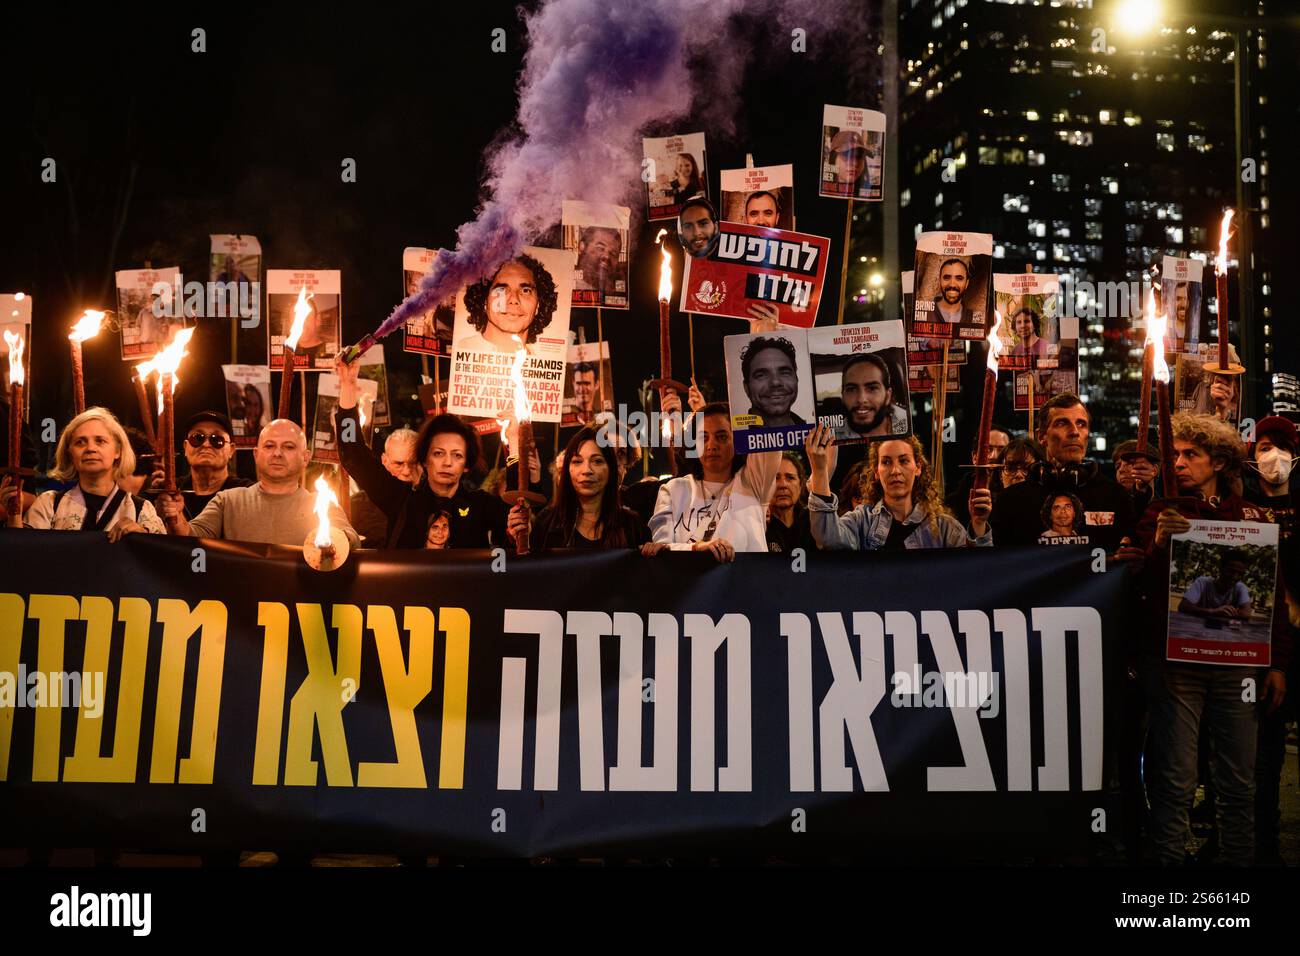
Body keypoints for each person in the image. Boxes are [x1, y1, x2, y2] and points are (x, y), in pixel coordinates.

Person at [1132, 412, 1289, 866]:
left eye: (1191, 455)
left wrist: (1276, 663)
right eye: (1175, 455)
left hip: (1238, 668)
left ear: (1218, 462)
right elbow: (1142, 590)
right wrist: (1158, 545)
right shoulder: (1161, 512)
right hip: (1178, 668)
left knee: (1238, 782)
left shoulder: (1251, 518)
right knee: (1176, 779)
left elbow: (1271, 599)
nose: (1178, 463)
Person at [333, 354, 512, 549]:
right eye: (438, 453)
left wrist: (516, 439)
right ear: (424, 459)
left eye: (457, 455)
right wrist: (348, 386)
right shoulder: (402, 500)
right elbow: (353, 454)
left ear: (467, 464)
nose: (447, 462)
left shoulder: (482, 506)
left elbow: (520, 513)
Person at [158, 419, 358, 549]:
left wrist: (332, 539)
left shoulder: (322, 504)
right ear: (256, 454)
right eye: (269, 446)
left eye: (288, 447)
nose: (277, 453)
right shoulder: (228, 501)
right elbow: (191, 538)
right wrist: (175, 517)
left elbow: (351, 539)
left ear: (305, 458)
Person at [643, 385, 780, 561]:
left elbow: (770, 429)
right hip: (691, 586)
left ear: (737, 440)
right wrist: (696, 548)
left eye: (722, 436)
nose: (711, 445)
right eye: (703, 437)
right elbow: (660, 549)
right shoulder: (672, 490)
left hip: (745, 585)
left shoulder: (753, 483)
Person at [804, 425, 991, 550]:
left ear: (918, 467)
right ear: (876, 472)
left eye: (903, 460)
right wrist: (820, 470)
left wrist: (979, 524)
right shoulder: (862, 521)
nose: (895, 470)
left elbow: (976, 573)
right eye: (886, 462)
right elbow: (827, 539)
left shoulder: (944, 528)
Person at [989, 393, 1134, 552]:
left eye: (1081, 424)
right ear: (1042, 436)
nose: (1074, 432)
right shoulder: (1012, 501)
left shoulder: (1115, 497)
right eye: (1062, 423)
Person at [6, 408, 165, 538]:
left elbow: (159, 564)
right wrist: (14, 516)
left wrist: (142, 537)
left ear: (117, 451)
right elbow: (25, 558)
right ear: (69, 453)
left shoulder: (141, 509)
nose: (90, 448)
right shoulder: (49, 504)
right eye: (80, 442)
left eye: (100, 441)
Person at [516, 424, 647, 551]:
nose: (587, 470)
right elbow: (528, 568)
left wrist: (656, 552)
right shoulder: (547, 522)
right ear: (567, 468)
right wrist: (520, 538)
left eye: (597, 461)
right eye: (577, 461)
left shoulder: (633, 524)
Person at [148, 412, 252, 522]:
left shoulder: (246, 493)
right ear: (185, 447)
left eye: (217, 440)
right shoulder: (169, 491)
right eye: (197, 438)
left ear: (231, 450)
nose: (206, 444)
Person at [455, 254, 559, 352]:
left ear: (538, 305)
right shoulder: (461, 349)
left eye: (525, 290)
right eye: (502, 290)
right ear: (485, 300)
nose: (514, 299)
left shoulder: (539, 363)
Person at [350, 427, 421, 547]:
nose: (407, 471)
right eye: (399, 464)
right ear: (384, 460)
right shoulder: (356, 505)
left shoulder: (433, 501)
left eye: (413, 463)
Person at [945, 426, 1013, 525]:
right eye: (987, 449)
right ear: (974, 457)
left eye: (1001, 450)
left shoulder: (1017, 498)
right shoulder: (953, 504)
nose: (994, 456)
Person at [833, 353, 908, 440]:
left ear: (888, 396)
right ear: (843, 396)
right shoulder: (834, 438)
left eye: (872, 388)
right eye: (852, 389)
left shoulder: (909, 421)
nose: (861, 399)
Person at [1245, 415, 1297, 538]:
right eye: (1265, 449)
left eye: (1283, 447)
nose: (1276, 454)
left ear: (1293, 456)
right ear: (1253, 460)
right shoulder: (1244, 505)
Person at [740, 336, 803, 426]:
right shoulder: (733, 437)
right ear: (746, 387)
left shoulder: (816, 433)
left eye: (784, 372)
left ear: (796, 379)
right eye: (761, 375)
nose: (775, 382)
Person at [1177, 551, 1253, 621]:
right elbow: (1183, 606)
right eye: (1231, 571)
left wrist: (1217, 613)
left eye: (1240, 574)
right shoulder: (1202, 582)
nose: (1235, 577)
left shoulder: (1240, 587)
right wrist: (1213, 611)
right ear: (1220, 568)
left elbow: (1246, 614)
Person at [766, 452, 816, 555]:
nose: (783, 485)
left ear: (801, 484)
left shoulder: (814, 520)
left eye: (790, 477)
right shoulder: (759, 525)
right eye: (775, 478)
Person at [1112, 438, 1161, 513]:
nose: (1121, 470)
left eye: (1130, 463)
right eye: (1118, 466)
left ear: (1154, 470)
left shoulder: (1167, 511)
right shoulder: (1111, 509)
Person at [574, 226, 622, 294]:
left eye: (613, 254)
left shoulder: (616, 292)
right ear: (582, 247)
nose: (607, 256)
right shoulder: (565, 281)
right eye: (600, 248)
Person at [825, 129, 869, 197]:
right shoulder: (824, 191)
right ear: (833, 158)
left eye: (859, 156)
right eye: (846, 154)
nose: (855, 163)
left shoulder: (867, 191)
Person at [931, 258, 973, 325]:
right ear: (939, 281)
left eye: (959, 278)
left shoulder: (972, 317)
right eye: (946, 278)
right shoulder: (927, 312)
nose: (952, 284)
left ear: (967, 283)